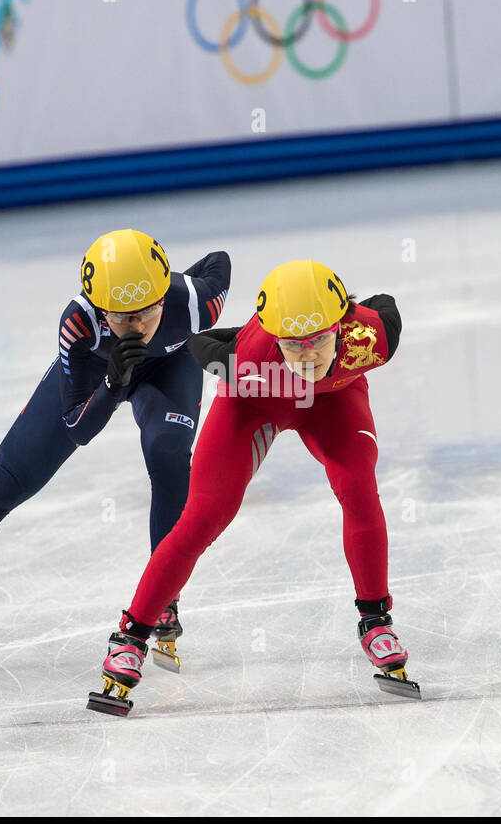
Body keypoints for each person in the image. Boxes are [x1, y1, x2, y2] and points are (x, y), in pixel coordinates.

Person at [0, 229, 230, 675]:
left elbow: (219, 260)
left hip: (170, 366)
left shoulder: (196, 303)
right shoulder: (79, 323)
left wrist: (171, 288)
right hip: (98, 374)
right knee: (8, 481)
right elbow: (78, 429)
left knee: (169, 453)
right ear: (99, 308)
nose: (136, 326)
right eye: (122, 317)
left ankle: (163, 598)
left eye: (148, 309)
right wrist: (113, 383)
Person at [87, 259, 413, 715]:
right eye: (292, 344)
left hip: (335, 402)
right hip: (253, 407)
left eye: (318, 339)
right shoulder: (244, 356)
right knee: (204, 516)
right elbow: (197, 344)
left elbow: (386, 307)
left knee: (359, 486)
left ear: (342, 324)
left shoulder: (373, 338)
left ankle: (376, 621)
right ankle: (131, 635)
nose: (306, 356)